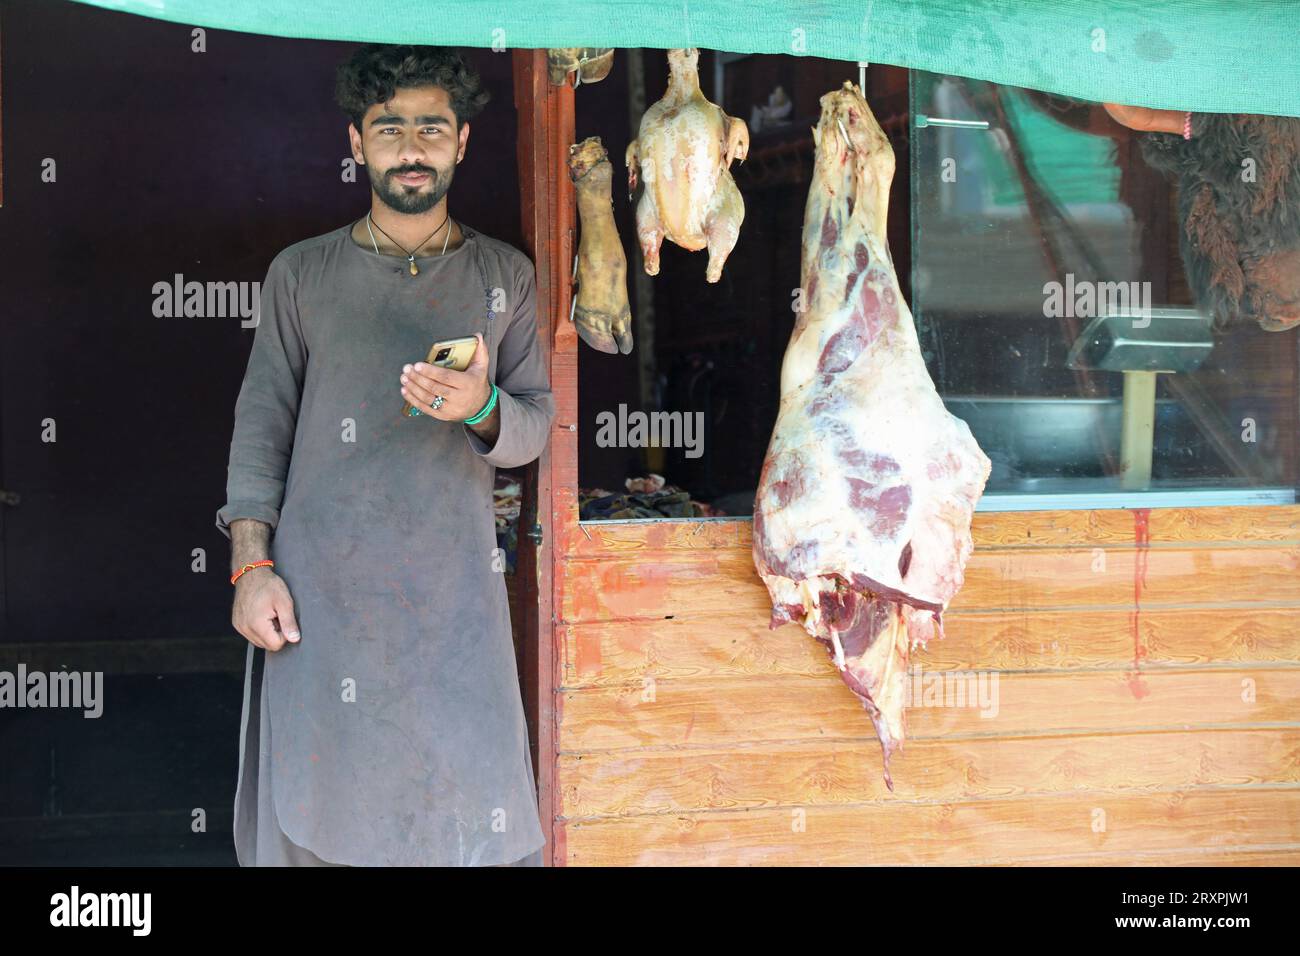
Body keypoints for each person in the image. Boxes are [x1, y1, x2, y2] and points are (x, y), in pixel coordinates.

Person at [215, 44, 554, 866]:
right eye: (390, 128)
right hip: (320, 599)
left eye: (432, 128)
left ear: (463, 142)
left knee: (464, 815)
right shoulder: (301, 275)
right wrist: (250, 568)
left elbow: (538, 427)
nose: (412, 147)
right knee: (319, 811)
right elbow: (262, 428)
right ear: (357, 143)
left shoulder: (504, 275)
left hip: (455, 603)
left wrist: (481, 408)